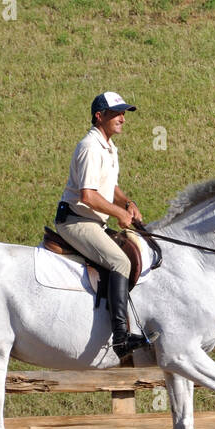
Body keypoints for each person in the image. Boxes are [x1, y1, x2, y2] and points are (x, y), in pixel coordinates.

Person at [54, 91, 150, 359]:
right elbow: (88, 195)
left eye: (124, 113)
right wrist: (119, 213)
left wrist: (127, 201)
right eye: (117, 113)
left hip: (93, 221)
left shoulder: (108, 146)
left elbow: (109, 187)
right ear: (99, 116)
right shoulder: (89, 147)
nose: (122, 118)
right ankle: (120, 337)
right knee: (120, 262)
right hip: (76, 221)